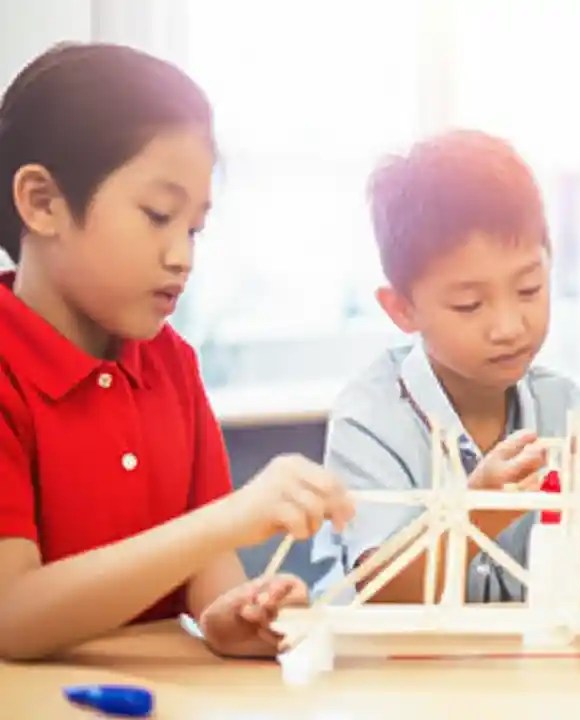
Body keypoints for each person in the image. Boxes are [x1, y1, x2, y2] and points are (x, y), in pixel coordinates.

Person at [0, 43, 354, 661]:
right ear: (41, 202)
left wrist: (239, 615)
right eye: (157, 215)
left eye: (193, 228)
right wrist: (226, 520)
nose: (181, 256)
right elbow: (10, 616)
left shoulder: (170, 364)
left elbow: (209, 578)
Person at [311, 130, 580, 604]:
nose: (508, 326)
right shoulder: (370, 418)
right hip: (385, 674)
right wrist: (478, 510)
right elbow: (382, 592)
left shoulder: (562, 404)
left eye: (529, 289)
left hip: (516, 675)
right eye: (469, 304)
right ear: (401, 309)